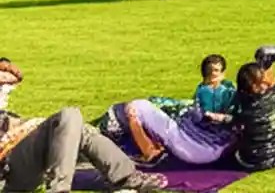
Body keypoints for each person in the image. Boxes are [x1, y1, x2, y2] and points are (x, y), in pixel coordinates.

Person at [0, 107, 167, 192]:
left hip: (18, 154)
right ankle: (59, 188)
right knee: (70, 116)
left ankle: (125, 178)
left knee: (77, 126)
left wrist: (22, 126)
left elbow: (9, 121)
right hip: (8, 171)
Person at [195, 54, 236, 123]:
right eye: (209, 70)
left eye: (216, 70)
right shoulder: (201, 90)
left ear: (222, 73)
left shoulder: (228, 89)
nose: (213, 73)